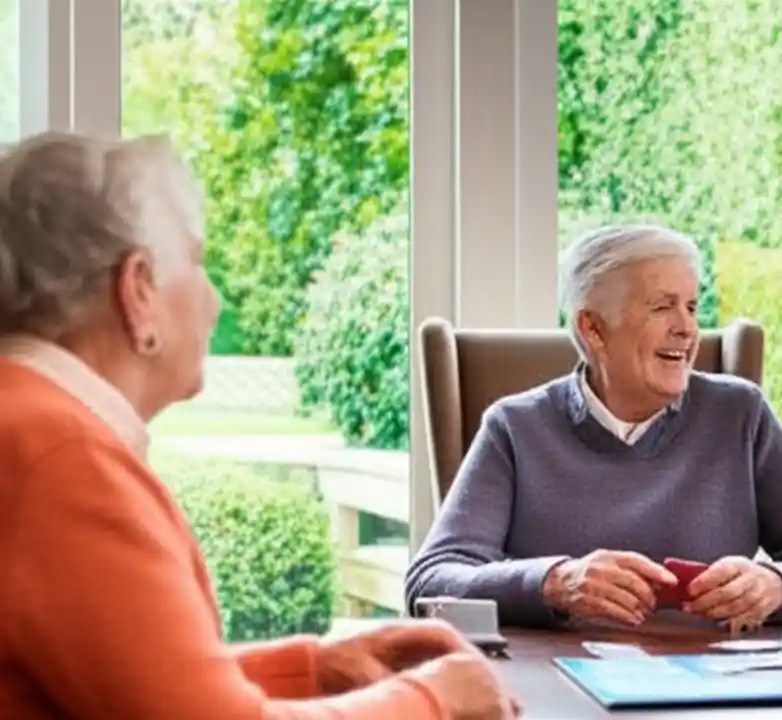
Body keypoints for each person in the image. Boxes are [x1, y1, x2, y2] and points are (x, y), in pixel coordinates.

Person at [0, 132, 516, 719]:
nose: (214, 301)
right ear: (137, 290)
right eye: (198, 263)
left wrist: (316, 669)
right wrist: (434, 699)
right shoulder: (61, 457)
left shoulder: (26, 424)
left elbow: (137, 687)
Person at [406, 224, 782, 630]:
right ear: (593, 329)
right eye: (662, 307)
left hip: (713, 691)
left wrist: (778, 584)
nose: (687, 328)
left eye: (691, 306)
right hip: (558, 691)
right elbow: (431, 582)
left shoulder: (739, 413)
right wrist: (555, 583)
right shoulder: (515, 427)